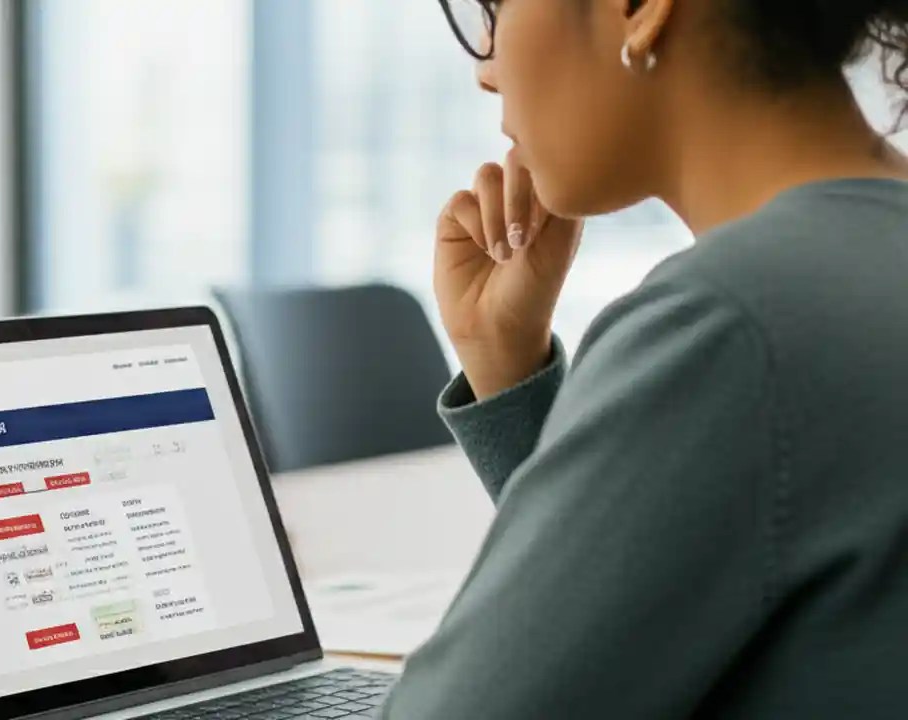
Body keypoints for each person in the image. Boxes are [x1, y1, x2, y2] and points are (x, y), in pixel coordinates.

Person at [377, 0, 908, 717]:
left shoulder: (732, 324)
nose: (487, 68)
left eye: (495, 7)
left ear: (640, 9)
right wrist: (506, 366)